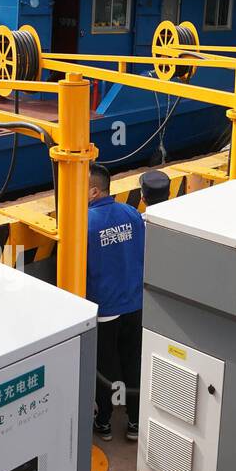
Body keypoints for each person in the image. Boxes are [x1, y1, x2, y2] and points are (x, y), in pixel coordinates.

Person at [86, 165, 145, 441]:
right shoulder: (132, 214)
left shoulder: (85, 223)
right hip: (134, 305)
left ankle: (105, 422)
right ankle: (135, 423)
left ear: (94, 190)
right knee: (133, 364)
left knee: (106, 369)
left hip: (106, 310)